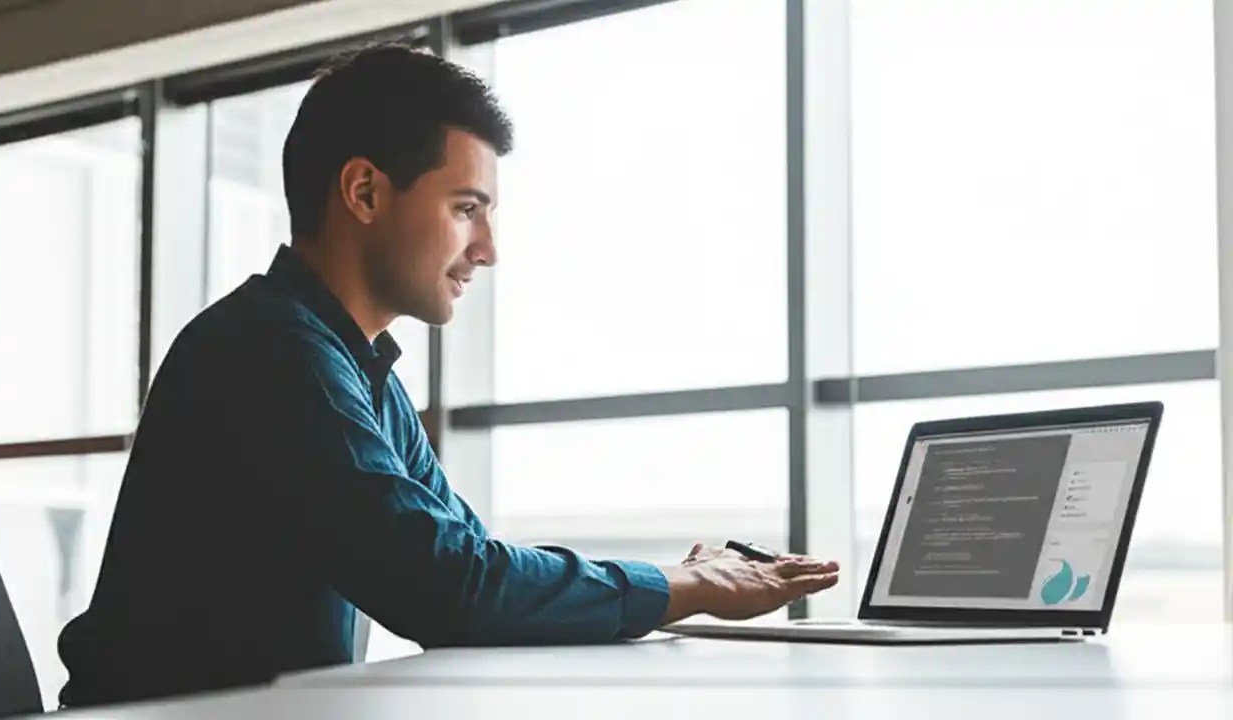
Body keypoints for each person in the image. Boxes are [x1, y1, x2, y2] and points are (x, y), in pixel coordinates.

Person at [57, 43, 840, 708]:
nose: (488, 249)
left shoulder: (353, 369)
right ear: (365, 192)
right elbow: (447, 590)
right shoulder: (269, 354)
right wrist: (686, 587)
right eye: (468, 208)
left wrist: (674, 584)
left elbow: (465, 562)